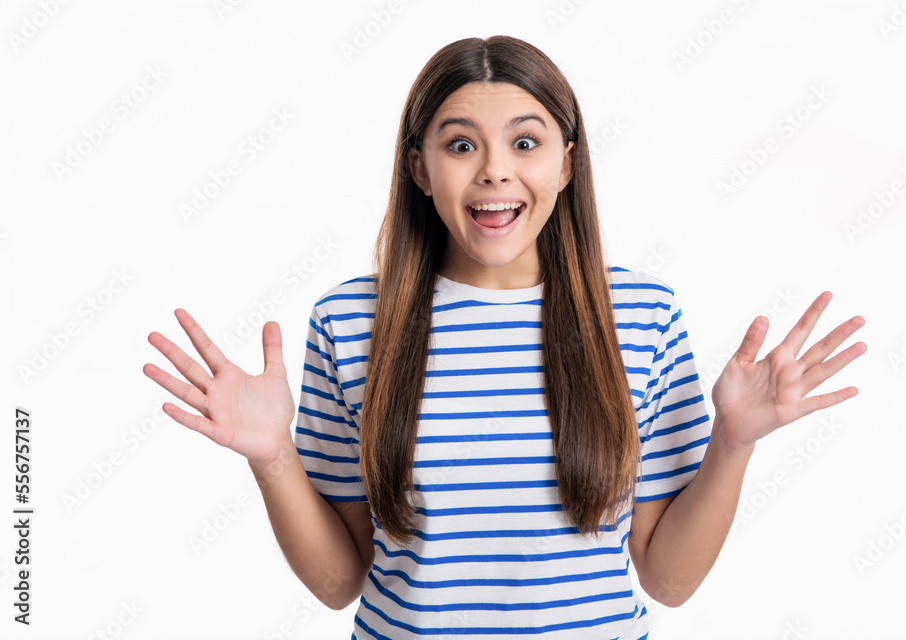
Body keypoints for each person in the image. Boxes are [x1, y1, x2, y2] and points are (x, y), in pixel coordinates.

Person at [142, 35, 866, 639]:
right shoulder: (350, 321)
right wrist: (272, 457)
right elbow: (339, 582)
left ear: (567, 162)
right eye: (461, 145)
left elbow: (668, 580)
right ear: (420, 168)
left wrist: (733, 443)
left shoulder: (641, 315)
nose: (495, 170)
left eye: (526, 141)